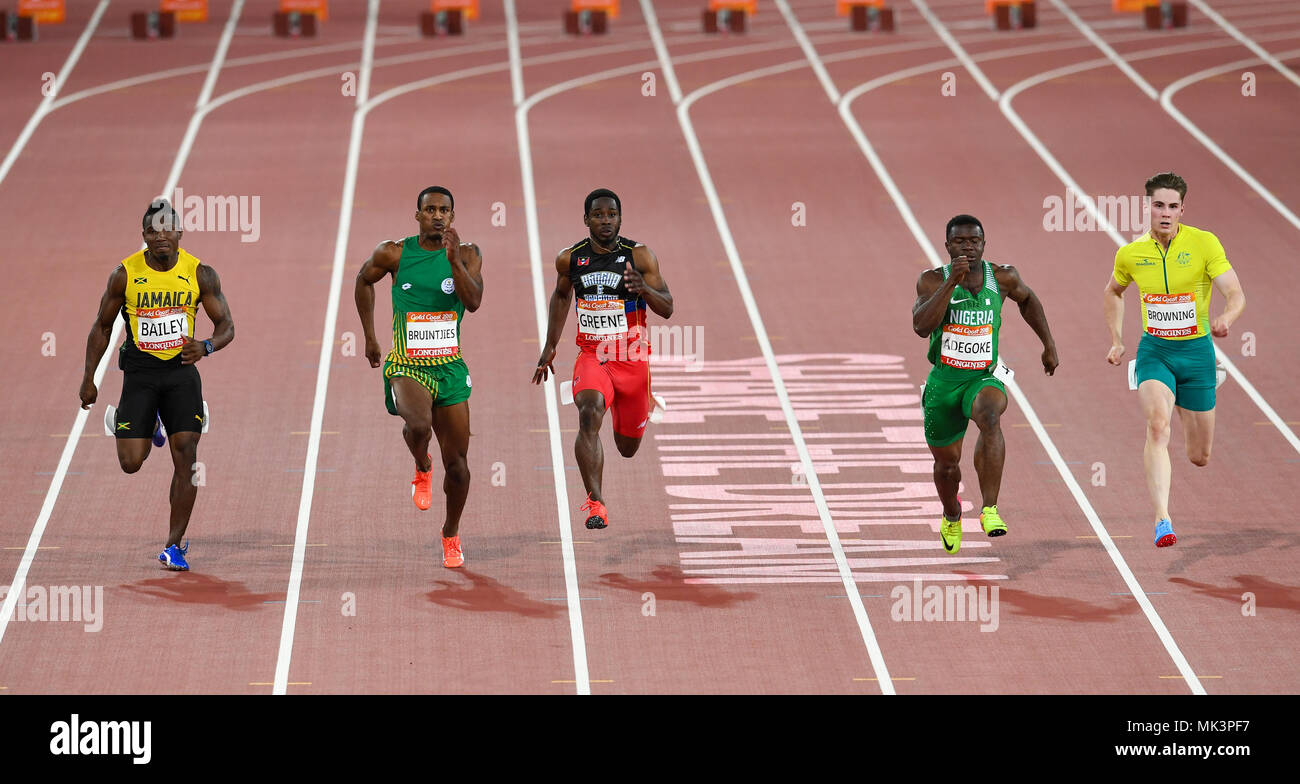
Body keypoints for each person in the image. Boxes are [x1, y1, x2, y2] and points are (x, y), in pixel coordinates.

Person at [79, 199, 235, 571]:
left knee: (186, 454)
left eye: (168, 229)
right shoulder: (125, 274)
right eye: (153, 230)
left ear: (179, 232)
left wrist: (208, 346)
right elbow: (102, 327)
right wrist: (89, 378)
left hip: (181, 373)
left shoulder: (200, 273)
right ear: (144, 235)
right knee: (131, 463)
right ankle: (148, 424)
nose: (161, 236)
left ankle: (174, 544)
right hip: (140, 374)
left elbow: (227, 325)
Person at [1104, 172, 1245, 548]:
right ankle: (1162, 519)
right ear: (1147, 207)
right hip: (1156, 351)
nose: (1165, 213)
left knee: (1199, 456)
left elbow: (1235, 293)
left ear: (1182, 209)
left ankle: (1188, 395)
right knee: (1156, 426)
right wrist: (1117, 340)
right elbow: (1113, 291)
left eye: (1172, 206)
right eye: (1158, 205)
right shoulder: (1131, 253)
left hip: (1197, 353)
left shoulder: (1203, 243)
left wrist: (1226, 319)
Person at [912, 214, 1058, 554]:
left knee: (990, 417)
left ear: (983, 244)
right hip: (944, 382)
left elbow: (1028, 300)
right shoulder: (932, 281)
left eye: (974, 241)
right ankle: (952, 513)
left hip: (984, 375)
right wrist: (952, 284)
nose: (968, 247)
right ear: (948, 246)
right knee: (947, 466)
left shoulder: (1003, 277)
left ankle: (990, 509)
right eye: (960, 242)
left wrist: (1048, 344)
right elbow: (921, 326)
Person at [355, 186, 483, 568]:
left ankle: (450, 534)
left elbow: (473, 303)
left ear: (453, 217)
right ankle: (423, 465)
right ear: (418, 215)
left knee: (459, 465)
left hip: (449, 367)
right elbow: (363, 280)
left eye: (445, 210)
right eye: (430, 210)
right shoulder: (393, 253)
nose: (438, 216)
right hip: (407, 363)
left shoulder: (469, 254)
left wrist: (453, 261)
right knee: (418, 423)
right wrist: (371, 336)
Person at [532, 189, 672, 530]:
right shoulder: (571, 258)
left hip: (632, 358)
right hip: (594, 355)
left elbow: (667, 307)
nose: (605, 221)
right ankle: (596, 502)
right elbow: (562, 296)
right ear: (586, 220)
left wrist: (645, 289)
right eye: (598, 215)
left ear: (620, 219)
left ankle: (642, 403)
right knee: (589, 410)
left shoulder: (639, 256)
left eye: (611, 215)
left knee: (627, 448)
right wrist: (550, 345)